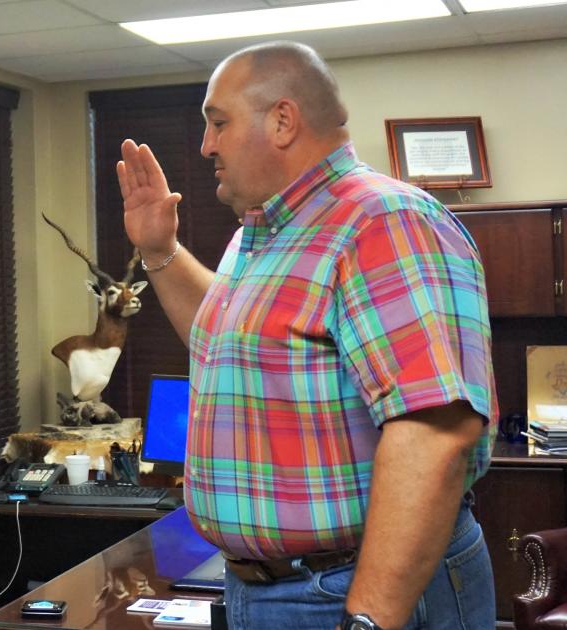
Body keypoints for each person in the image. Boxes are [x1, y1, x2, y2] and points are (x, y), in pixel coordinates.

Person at [117, 42, 497, 630]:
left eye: (218, 123)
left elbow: (435, 433)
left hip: (347, 591)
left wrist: (368, 618)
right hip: (266, 589)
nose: (206, 146)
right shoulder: (259, 233)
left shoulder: (384, 222)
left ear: (283, 120)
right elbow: (228, 347)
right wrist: (159, 251)